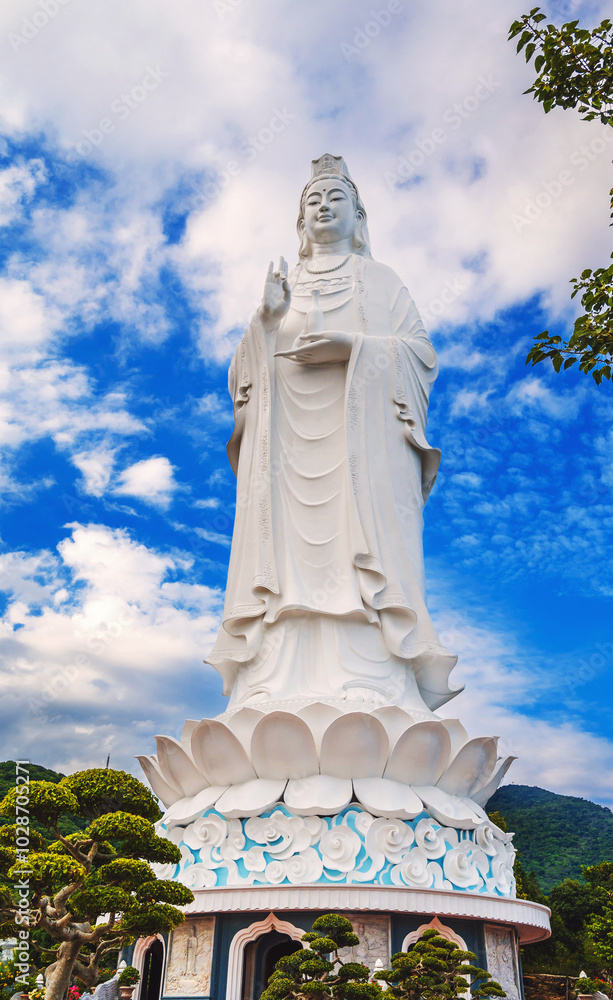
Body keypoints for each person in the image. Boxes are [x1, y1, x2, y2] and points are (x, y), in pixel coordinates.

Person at [206, 154, 458, 715]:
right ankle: (269, 679)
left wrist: (352, 348)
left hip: (361, 448)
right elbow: (242, 380)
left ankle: (375, 677)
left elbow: (420, 357)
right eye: (312, 201)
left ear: (358, 214)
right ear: (301, 222)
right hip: (285, 447)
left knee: (357, 553)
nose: (323, 207)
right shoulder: (283, 285)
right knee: (283, 560)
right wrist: (266, 322)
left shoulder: (382, 281)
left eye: (335, 198)